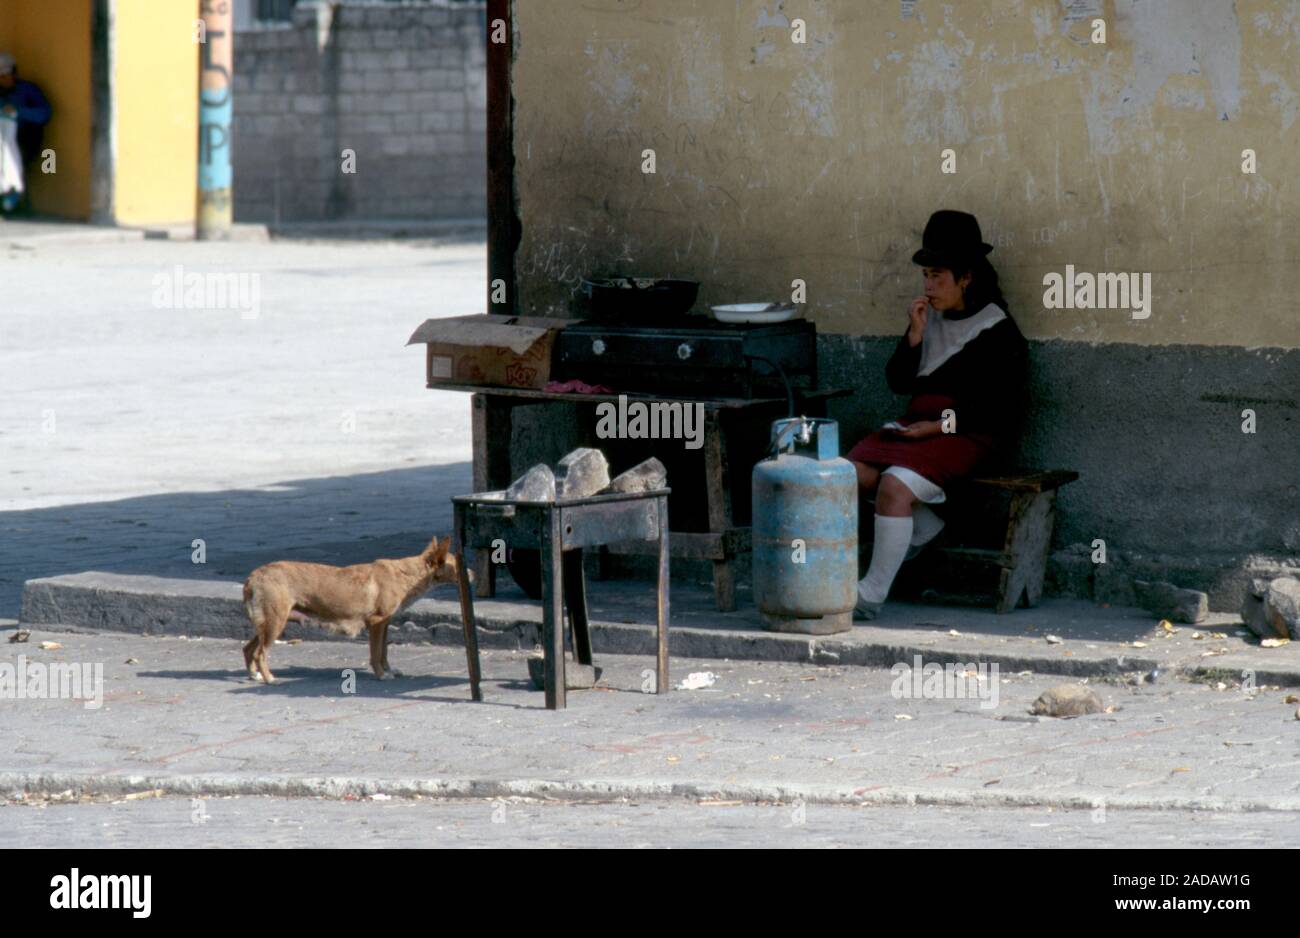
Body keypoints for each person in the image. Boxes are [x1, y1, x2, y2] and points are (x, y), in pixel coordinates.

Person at [847, 210, 1028, 619]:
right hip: (919, 428)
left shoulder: (997, 331)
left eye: (938, 276)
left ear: (967, 277)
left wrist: (940, 425)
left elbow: (1002, 408)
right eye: (926, 275)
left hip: (968, 433)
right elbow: (898, 382)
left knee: (894, 485)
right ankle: (925, 525)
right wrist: (913, 337)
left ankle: (871, 594)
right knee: (849, 471)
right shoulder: (928, 320)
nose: (929, 286)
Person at [0, 52, 53, 215]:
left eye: (5, 76)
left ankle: (11, 191)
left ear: (13, 74)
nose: (2, 80)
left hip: (24, 139)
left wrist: (18, 112)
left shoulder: (27, 90)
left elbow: (44, 113)